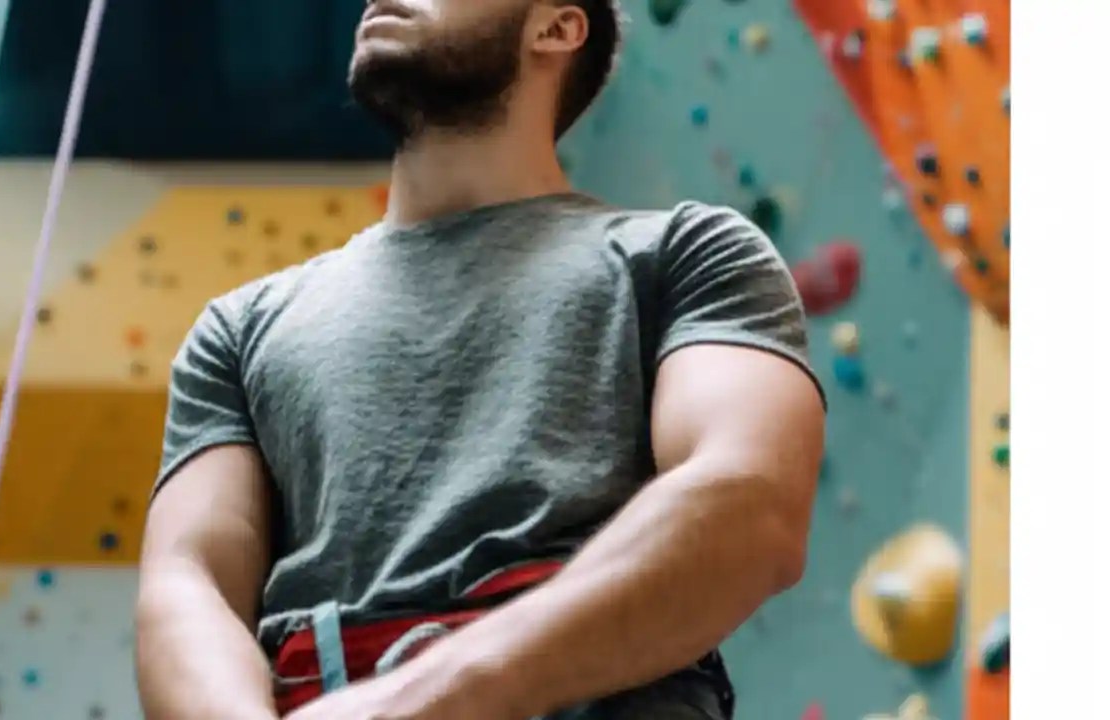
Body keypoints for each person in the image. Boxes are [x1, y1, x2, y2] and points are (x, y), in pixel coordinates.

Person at [134, 0, 826, 718]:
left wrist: (419, 701)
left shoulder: (688, 256)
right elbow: (187, 584)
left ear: (556, 27)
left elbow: (750, 501)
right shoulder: (239, 329)